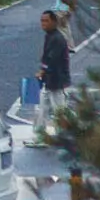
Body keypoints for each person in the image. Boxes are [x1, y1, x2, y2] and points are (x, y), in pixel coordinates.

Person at [34, 10, 72, 141]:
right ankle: (40, 135)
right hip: (49, 80)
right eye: (42, 21)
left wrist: (42, 71)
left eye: (46, 21)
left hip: (57, 80)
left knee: (58, 109)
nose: (43, 24)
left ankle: (63, 136)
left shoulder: (57, 38)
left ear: (54, 22)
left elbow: (52, 59)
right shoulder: (50, 36)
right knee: (42, 109)